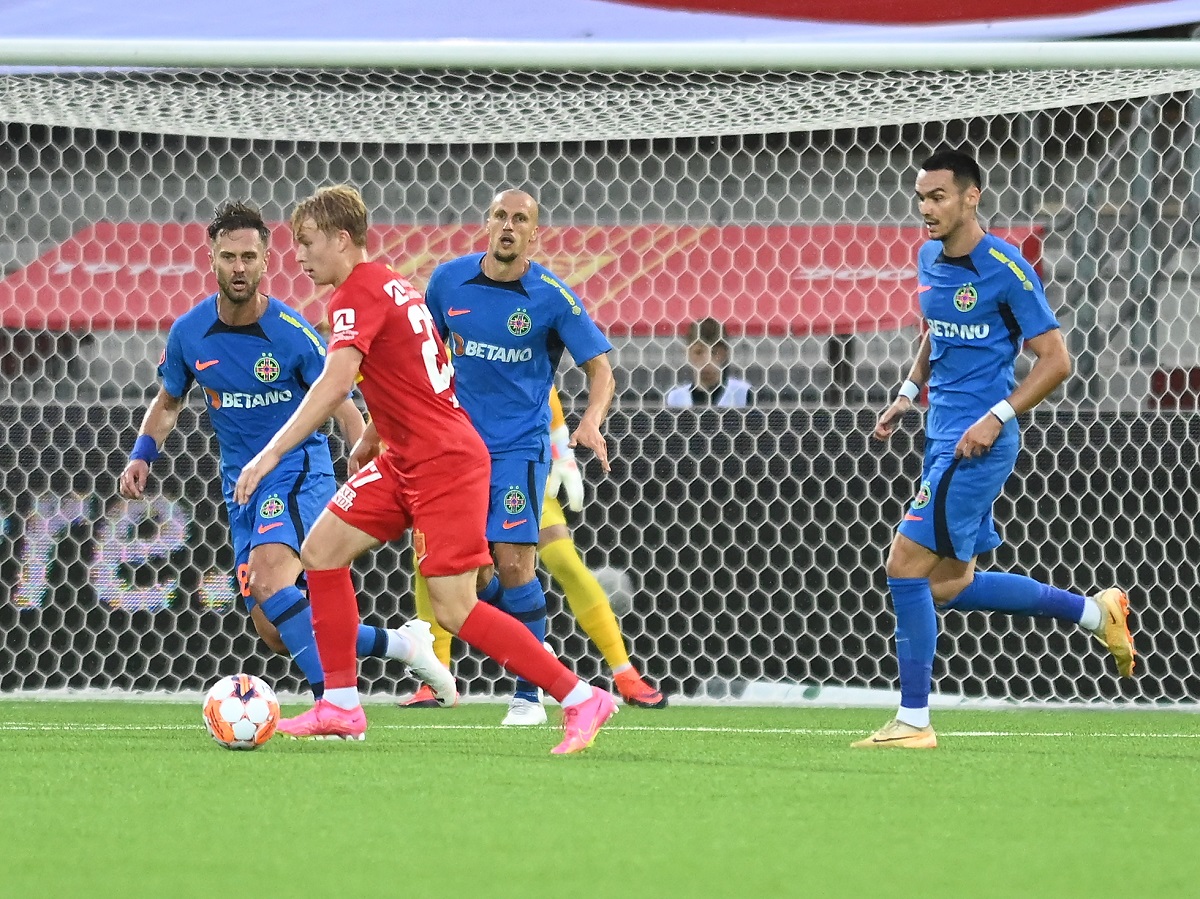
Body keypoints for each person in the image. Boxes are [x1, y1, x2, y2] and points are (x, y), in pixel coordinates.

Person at [234, 184, 617, 753]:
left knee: (456, 609)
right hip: (406, 456)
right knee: (320, 552)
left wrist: (270, 453)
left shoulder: (354, 296)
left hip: (443, 463)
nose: (298, 255)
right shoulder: (391, 282)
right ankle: (339, 705)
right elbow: (413, 372)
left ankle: (581, 697)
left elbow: (337, 382)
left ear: (342, 239)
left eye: (306, 242)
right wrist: (372, 433)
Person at [118, 201, 454, 707]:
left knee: (273, 581)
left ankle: (335, 707)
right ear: (211, 258)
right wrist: (142, 455)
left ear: (265, 260)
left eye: (249, 256)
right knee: (275, 630)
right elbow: (168, 402)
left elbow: (338, 398)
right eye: (229, 257)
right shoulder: (189, 334)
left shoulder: (291, 334)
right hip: (243, 485)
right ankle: (403, 644)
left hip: (297, 471)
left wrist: (361, 461)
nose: (239, 268)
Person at [854, 150, 1135, 750]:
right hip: (940, 432)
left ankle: (913, 722)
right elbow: (937, 328)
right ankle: (1095, 613)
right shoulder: (929, 257)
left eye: (938, 196)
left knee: (903, 568)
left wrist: (995, 416)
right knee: (949, 585)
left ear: (971, 196)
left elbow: (1057, 360)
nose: (926, 208)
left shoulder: (1007, 266)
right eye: (921, 197)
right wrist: (908, 392)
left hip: (977, 446)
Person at [419, 187, 622, 725]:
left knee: (515, 563)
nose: (508, 226)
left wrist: (590, 420)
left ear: (535, 234)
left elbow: (600, 368)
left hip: (518, 449)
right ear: (487, 223)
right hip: (455, 449)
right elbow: (422, 358)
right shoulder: (446, 283)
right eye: (500, 216)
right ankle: (532, 651)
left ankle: (529, 695)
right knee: (463, 584)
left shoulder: (552, 297)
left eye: (521, 219)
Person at [403, 385, 667, 713]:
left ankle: (624, 673)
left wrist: (562, 450)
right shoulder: (429, 347)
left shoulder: (484, 339)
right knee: (436, 562)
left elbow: (539, 380)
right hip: (458, 465)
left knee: (561, 558)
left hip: (517, 460)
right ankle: (438, 677)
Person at [665, 317, 752, 408]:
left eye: (714, 352)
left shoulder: (743, 394)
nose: (707, 360)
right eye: (699, 352)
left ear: (725, 354)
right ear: (688, 353)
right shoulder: (675, 399)